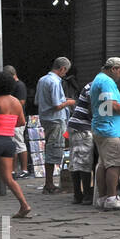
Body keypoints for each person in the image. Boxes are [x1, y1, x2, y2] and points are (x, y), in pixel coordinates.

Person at [0, 70, 33, 219]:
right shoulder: (16, 102)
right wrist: (8, 123)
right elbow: (22, 122)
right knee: (8, 178)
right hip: (8, 141)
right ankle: (24, 205)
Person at [90, 57, 120, 211]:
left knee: (103, 164)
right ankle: (112, 197)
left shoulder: (98, 79)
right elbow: (111, 104)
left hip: (101, 127)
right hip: (109, 129)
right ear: (113, 68)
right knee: (115, 163)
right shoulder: (107, 82)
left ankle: (103, 197)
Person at [34, 57, 75, 194]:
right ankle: (49, 184)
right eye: (65, 71)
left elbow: (38, 101)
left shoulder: (42, 80)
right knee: (54, 149)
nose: (65, 74)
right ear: (62, 69)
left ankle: (50, 182)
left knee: (51, 148)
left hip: (46, 118)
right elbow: (57, 105)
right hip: (55, 119)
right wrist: (69, 103)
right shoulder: (55, 82)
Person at [65, 82, 96, 204]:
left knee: (76, 160)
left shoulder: (92, 85)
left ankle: (78, 194)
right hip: (82, 127)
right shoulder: (96, 86)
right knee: (83, 161)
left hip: (77, 126)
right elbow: (92, 110)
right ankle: (86, 194)